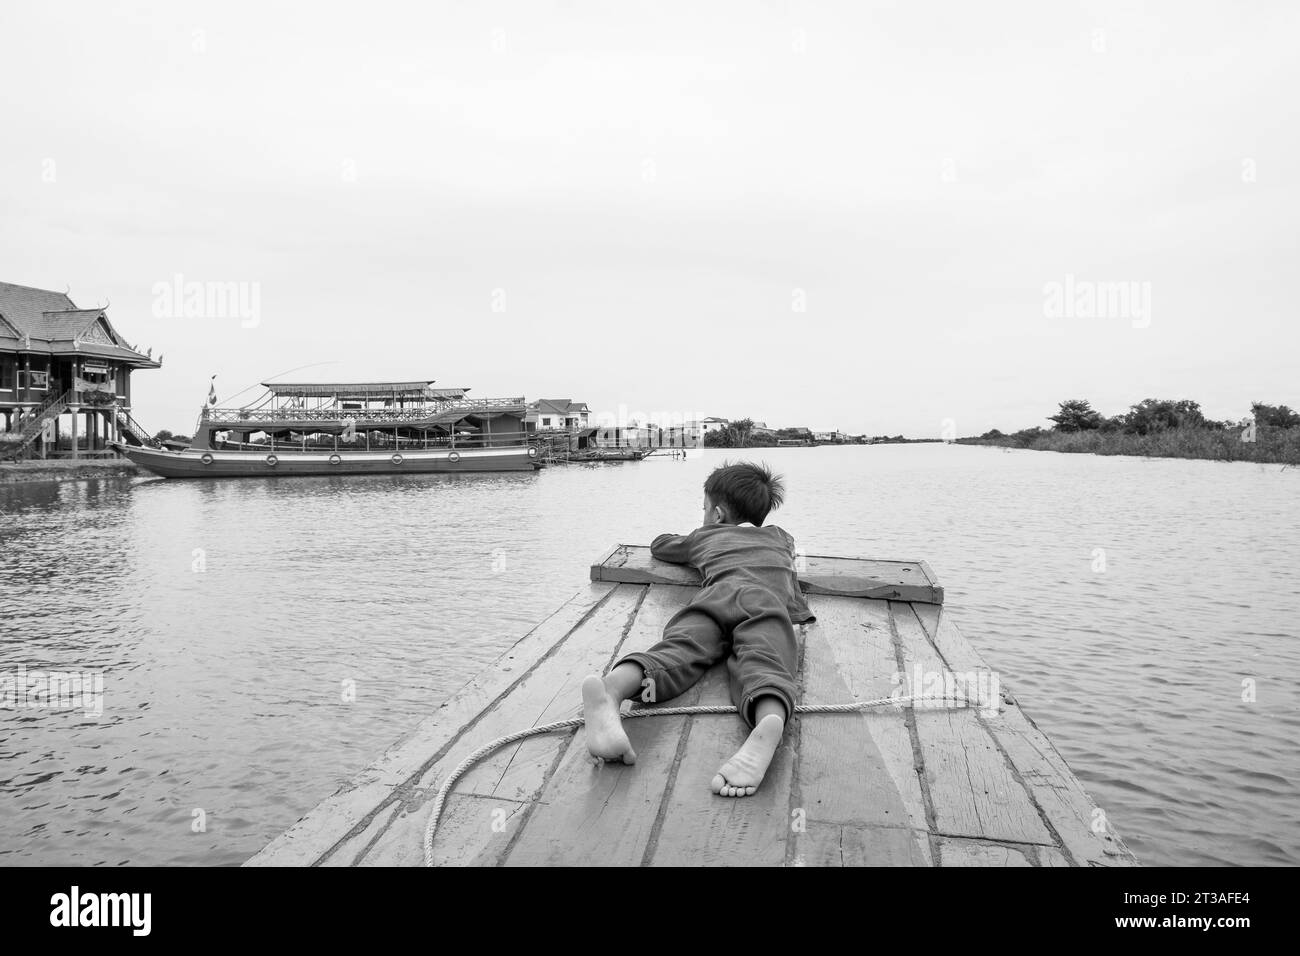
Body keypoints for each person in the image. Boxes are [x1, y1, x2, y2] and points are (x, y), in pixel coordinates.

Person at [581, 461, 813, 796]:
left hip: (714, 598)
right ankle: (767, 721)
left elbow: (660, 545)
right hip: (764, 603)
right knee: (766, 662)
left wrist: (690, 536)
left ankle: (612, 689)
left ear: (717, 514)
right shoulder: (779, 537)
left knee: (678, 649)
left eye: (703, 508)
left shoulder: (703, 537)